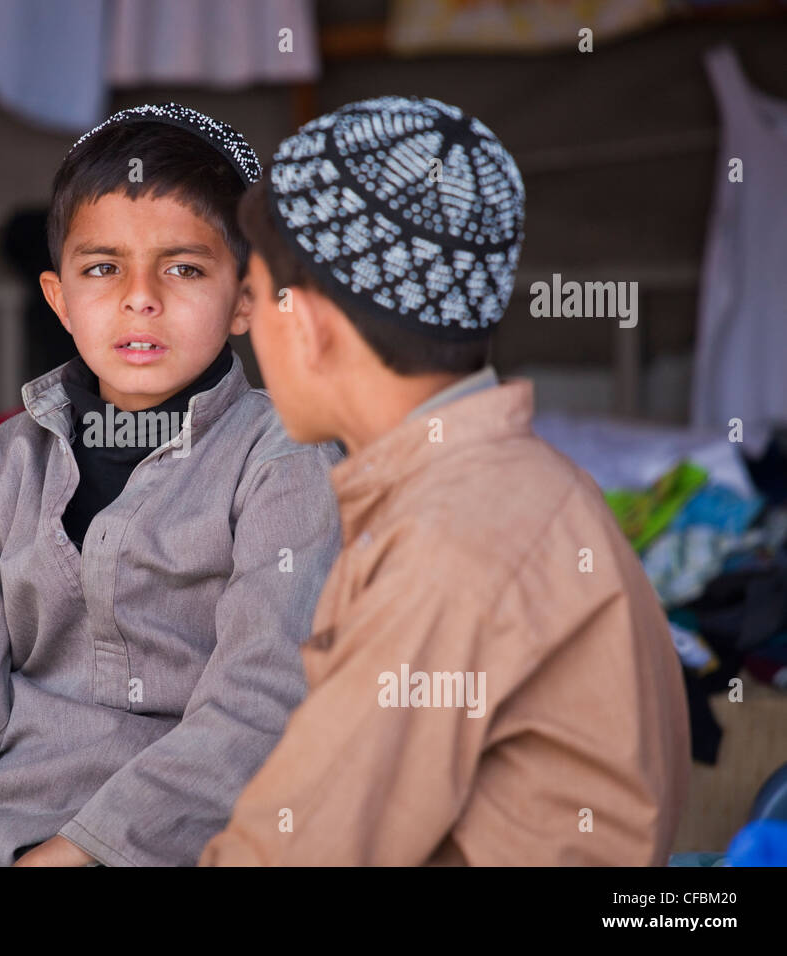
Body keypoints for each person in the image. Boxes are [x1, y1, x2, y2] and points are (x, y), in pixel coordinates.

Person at [200, 96, 690, 866]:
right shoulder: (515, 486)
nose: (245, 323)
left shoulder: (449, 545)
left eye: (254, 295)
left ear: (311, 324)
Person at [0, 104, 342, 866]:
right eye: (102, 267)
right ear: (59, 298)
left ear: (246, 298)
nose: (139, 296)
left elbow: (266, 700)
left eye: (183, 267)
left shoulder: (282, 461)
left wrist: (81, 853)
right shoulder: (3, 468)